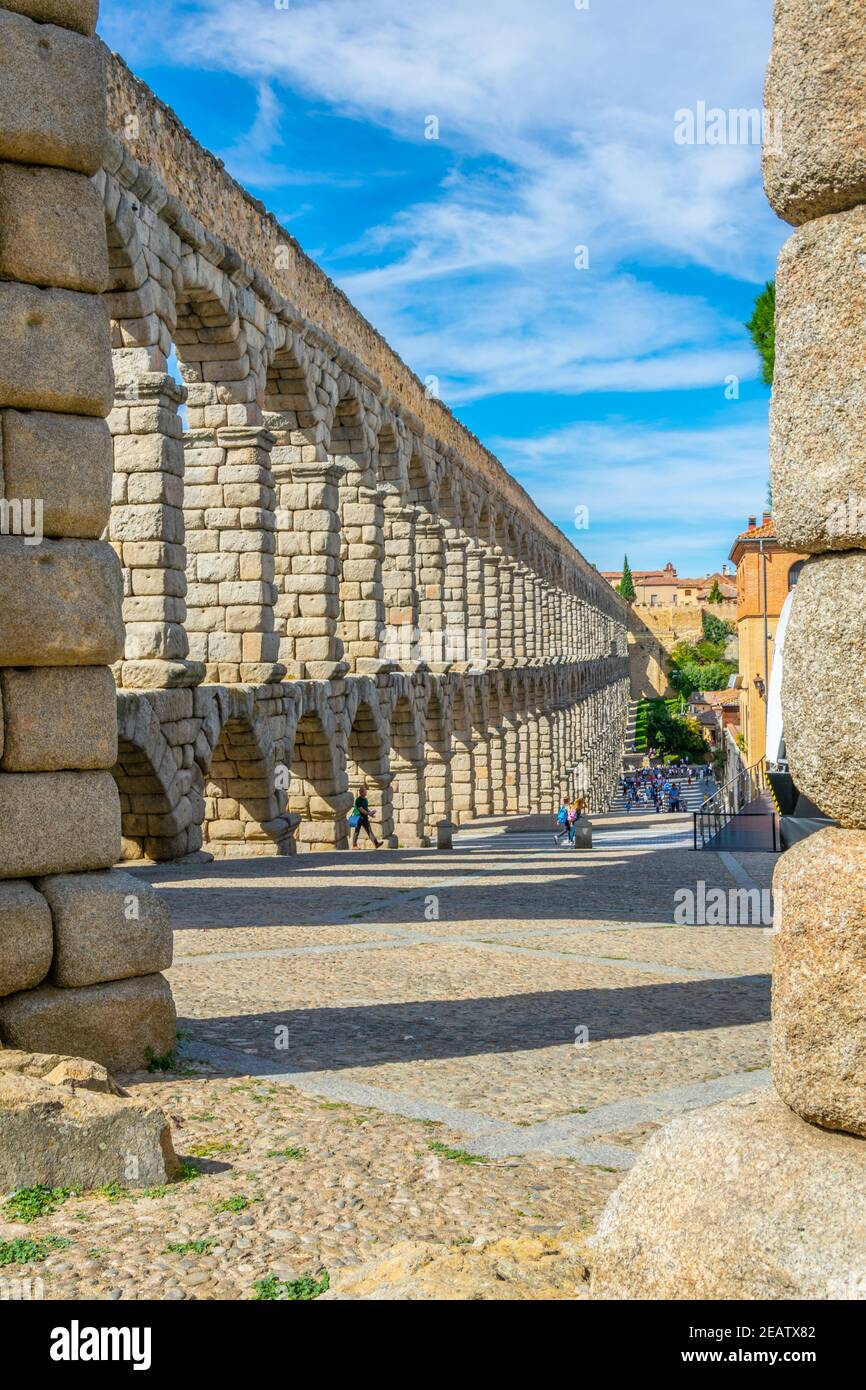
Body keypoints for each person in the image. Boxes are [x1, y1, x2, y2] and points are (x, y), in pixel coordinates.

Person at [351, 784, 382, 849]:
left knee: (369, 831)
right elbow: (361, 809)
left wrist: (371, 813)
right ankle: (354, 845)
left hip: (364, 818)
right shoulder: (358, 800)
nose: (366, 792)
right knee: (357, 831)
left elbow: (366, 808)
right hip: (358, 817)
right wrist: (368, 813)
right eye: (365, 791)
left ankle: (376, 843)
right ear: (361, 792)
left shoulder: (365, 799)